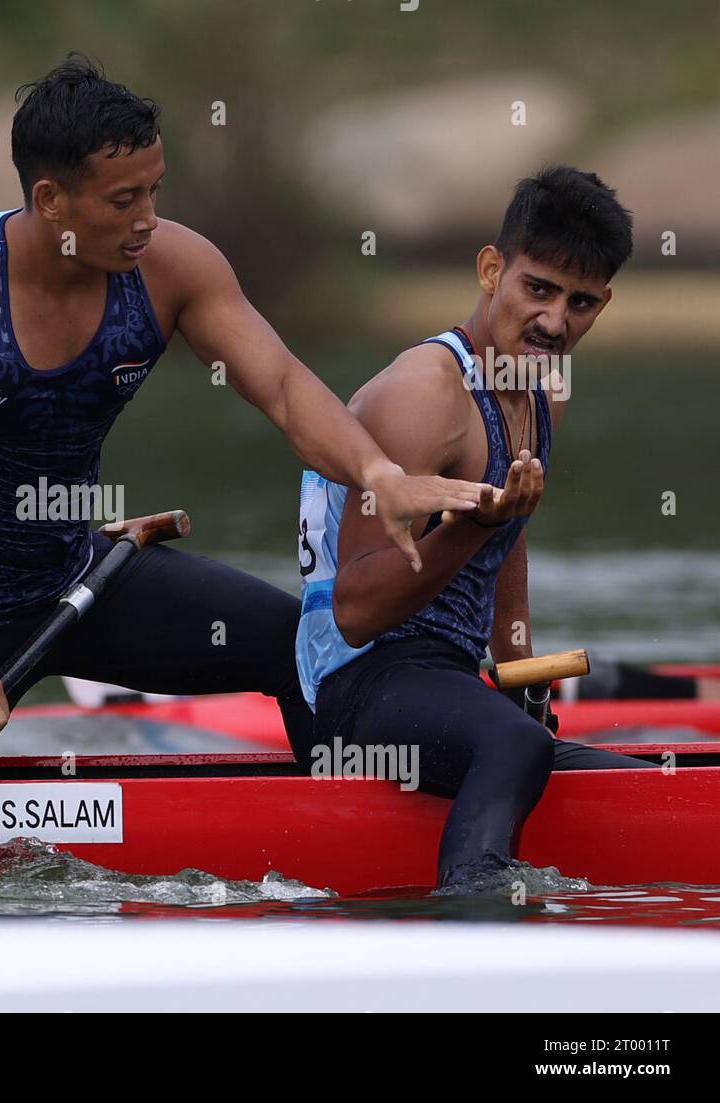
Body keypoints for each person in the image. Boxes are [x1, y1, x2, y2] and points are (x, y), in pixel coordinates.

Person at [0, 55, 485, 781]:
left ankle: (345, 823)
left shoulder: (173, 268)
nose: (148, 222)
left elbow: (284, 388)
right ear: (50, 200)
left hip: (80, 582)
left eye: (155, 192)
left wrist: (377, 470)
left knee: (300, 650)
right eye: (124, 200)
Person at [294, 165, 651, 891]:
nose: (555, 321)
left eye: (580, 302)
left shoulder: (542, 389)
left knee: (637, 781)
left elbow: (507, 540)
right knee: (515, 745)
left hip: (444, 680)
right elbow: (355, 612)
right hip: (356, 690)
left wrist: (518, 676)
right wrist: (467, 526)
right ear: (492, 270)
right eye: (539, 289)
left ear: (604, 304)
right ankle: (475, 928)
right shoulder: (422, 396)